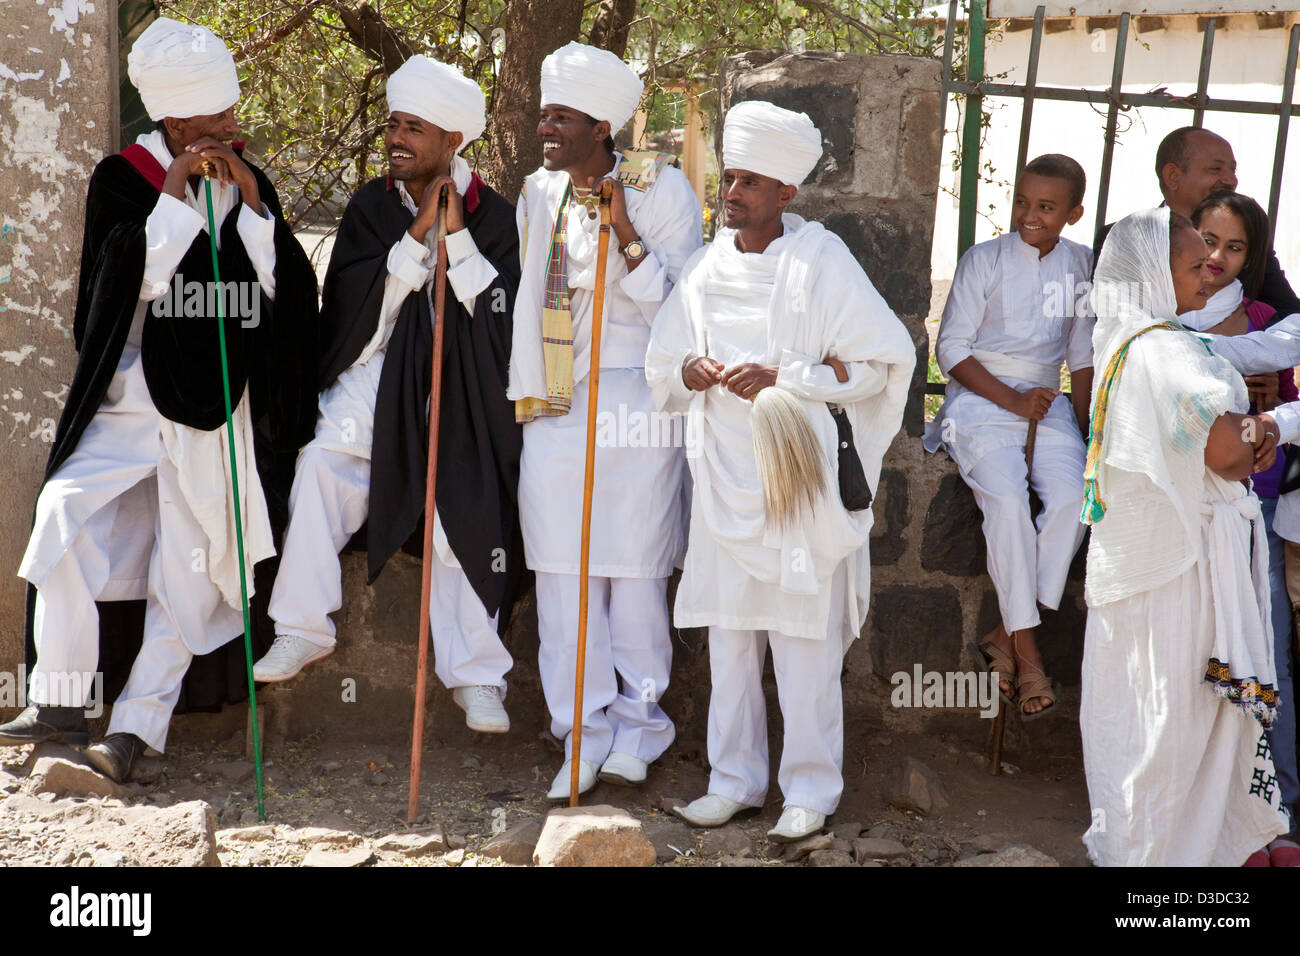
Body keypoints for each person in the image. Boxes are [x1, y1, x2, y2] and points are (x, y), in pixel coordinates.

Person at [0, 18, 319, 782]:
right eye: (216, 123)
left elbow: (288, 298)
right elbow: (115, 292)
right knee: (63, 521)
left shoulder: (249, 182)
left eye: (231, 117)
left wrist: (252, 214)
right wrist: (174, 199)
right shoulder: (123, 180)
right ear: (176, 123)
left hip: (213, 408)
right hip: (131, 396)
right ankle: (61, 700)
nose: (232, 131)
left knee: (192, 562)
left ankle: (139, 729)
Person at [647, 101, 914, 841]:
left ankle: (809, 790)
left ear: (786, 193)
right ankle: (733, 780)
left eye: (749, 181)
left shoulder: (823, 264)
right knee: (731, 640)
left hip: (798, 485)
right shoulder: (702, 270)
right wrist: (692, 370)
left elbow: (881, 362)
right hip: (724, 481)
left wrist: (788, 374)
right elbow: (661, 365)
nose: (731, 192)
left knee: (803, 642)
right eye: (729, 178)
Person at [252, 55, 527, 735]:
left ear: (454, 141)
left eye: (414, 127)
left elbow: (496, 319)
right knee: (321, 469)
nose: (397, 138)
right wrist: (413, 237)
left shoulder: (494, 214)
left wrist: (454, 235)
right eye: (394, 124)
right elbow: (349, 310)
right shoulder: (372, 207)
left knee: (460, 512)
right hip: (371, 382)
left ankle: (476, 676)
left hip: (457, 397)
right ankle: (303, 628)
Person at [508, 41, 702, 799]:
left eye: (560, 118)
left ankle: (641, 726)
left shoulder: (662, 190)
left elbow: (683, 310)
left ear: (602, 125)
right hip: (558, 400)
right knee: (562, 574)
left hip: (638, 401)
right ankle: (579, 733)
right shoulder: (537, 190)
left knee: (634, 573)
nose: (545, 130)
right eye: (544, 115)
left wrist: (625, 233)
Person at [1079, 205, 1291, 866]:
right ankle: (1166, 864)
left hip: (1140, 563)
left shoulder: (1122, 341)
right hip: (1179, 571)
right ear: (1151, 272)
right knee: (1174, 721)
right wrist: (1262, 427)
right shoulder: (1165, 349)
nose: (1211, 270)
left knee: (1142, 713)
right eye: (1194, 261)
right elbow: (1226, 451)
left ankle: (1186, 850)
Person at [924, 154, 1094, 717]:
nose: (1029, 215)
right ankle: (1028, 652)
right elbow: (951, 350)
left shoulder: (1081, 265)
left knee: (1073, 500)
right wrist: (1012, 400)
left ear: (1074, 212)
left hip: (1048, 406)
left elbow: (1081, 355)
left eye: (1046, 207)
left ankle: (1004, 632)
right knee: (1007, 505)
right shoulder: (984, 259)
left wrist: (1089, 428)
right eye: (1022, 201)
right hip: (980, 403)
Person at [1186, 190, 1300, 865]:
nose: (1216, 258)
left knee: (1262, 657)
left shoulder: (1267, 320)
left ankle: (1277, 809)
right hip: (1178, 511)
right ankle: (1206, 808)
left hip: (1249, 509)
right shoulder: (1161, 310)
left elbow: (1266, 369)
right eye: (1207, 242)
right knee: (1195, 659)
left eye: (1234, 248)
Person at [1093, 126, 1300, 321]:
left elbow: (1291, 315)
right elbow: (1111, 317)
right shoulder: (1125, 239)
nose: (1230, 180)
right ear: (1173, 176)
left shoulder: (1247, 237)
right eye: (1215, 169)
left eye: (1232, 170)